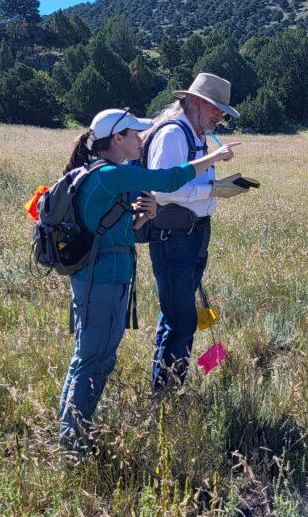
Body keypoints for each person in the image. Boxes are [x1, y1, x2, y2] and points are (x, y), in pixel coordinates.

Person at [58, 106, 240, 454]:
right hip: (103, 280)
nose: (142, 139)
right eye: (136, 134)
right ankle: (72, 445)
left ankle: (73, 435)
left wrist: (143, 220)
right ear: (118, 139)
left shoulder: (102, 174)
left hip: (103, 276)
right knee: (92, 359)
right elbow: (169, 180)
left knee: (94, 357)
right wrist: (215, 158)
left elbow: (116, 231)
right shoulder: (113, 175)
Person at [138, 73, 251, 393]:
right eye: (216, 110)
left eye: (223, 112)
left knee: (175, 316)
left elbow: (186, 184)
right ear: (197, 102)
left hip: (192, 236)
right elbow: (162, 191)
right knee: (182, 322)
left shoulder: (196, 134)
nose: (220, 117)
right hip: (173, 239)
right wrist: (213, 190)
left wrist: (216, 189)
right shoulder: (174, 134)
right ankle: (165, 398)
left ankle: (165, 391)